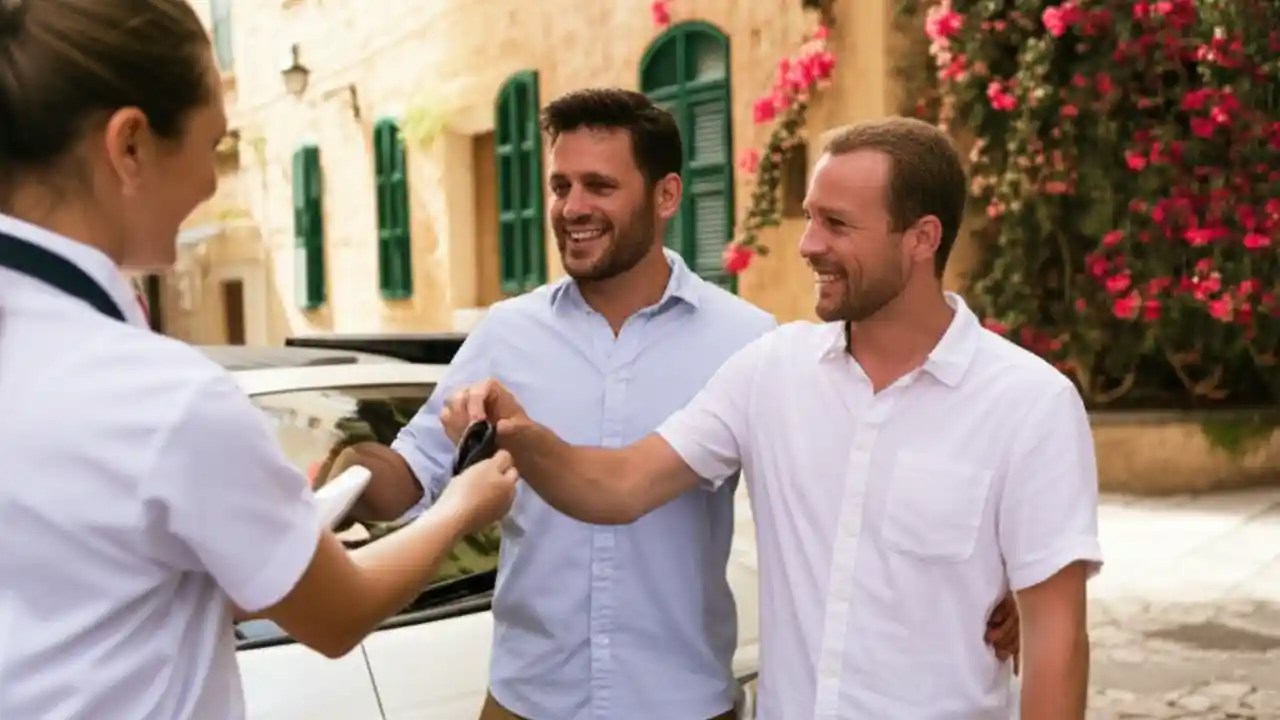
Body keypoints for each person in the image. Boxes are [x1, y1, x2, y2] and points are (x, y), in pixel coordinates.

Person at [324, 90, 1021, 720]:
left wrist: (999, 581)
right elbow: (412, 480)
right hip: (526, 701)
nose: (572, 207)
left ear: (666, 196)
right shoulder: (506, 333)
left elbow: (857, 490)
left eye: (599, 185)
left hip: (684, 704)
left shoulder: (749, 342)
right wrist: (349, 475)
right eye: (561, 185)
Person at [0, 2, 516, 718]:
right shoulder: (163, 399)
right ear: (130, 146)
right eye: (212, 147)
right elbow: (338, 617)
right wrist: (463, 507)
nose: (213, 186)